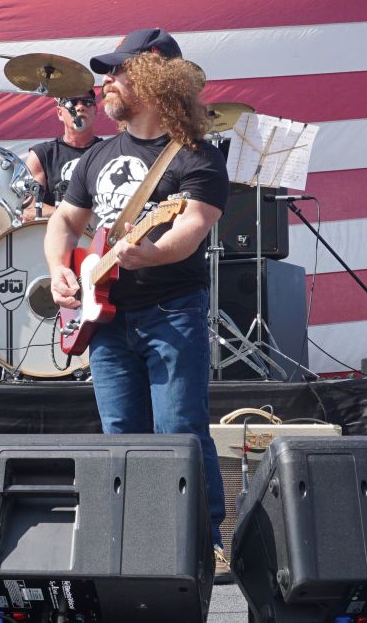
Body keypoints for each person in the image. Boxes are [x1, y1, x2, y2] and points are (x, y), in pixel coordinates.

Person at [42, 28, 231, 566]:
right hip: (105, 319)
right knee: (120, 436)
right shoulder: (98, 156)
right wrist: (59, 270)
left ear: (154, 78)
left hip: (171, 311)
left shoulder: (197, 157)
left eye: (118, 71)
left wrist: (154, 253)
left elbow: (191, 227)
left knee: (180, 430)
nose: (105, 82)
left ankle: (204, 544)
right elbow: (65, 222)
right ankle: (134, 547)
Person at [21, 89, 101, 221]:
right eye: (72, 102)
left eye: (87, 102)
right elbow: (29, 209)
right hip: (56, 232)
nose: (80, 107)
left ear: (95, 109)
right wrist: (72, 214)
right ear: (60, 113)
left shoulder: (110, 152)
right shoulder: (41, 155)